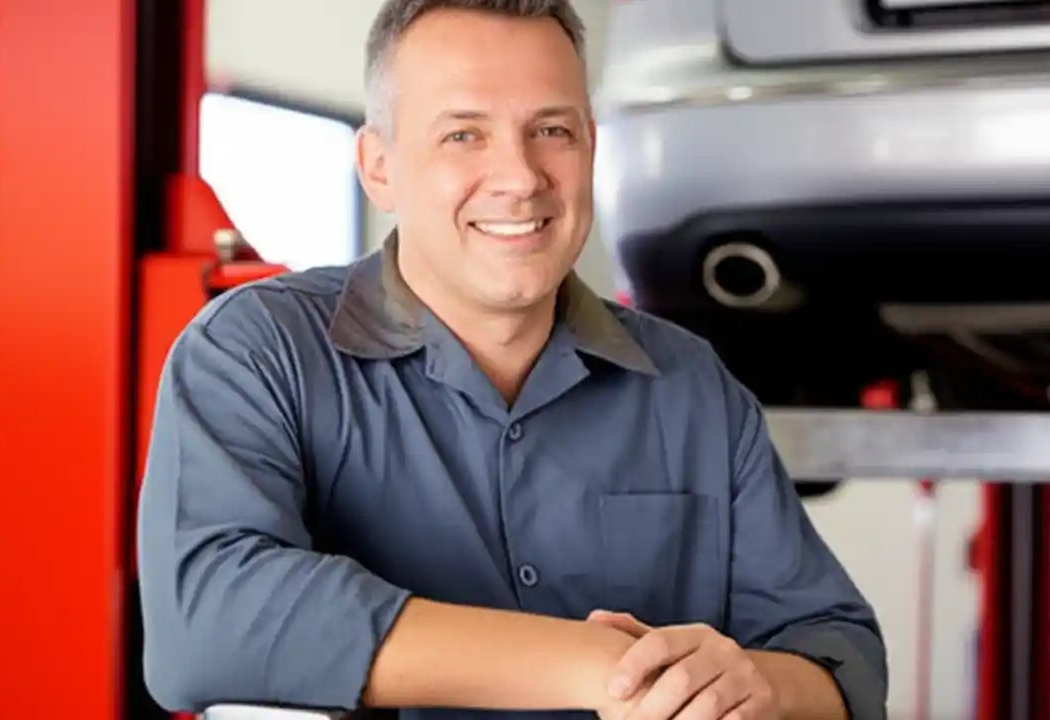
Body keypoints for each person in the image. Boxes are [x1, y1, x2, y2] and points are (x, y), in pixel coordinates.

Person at [136, 1, 888, 718]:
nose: (521, 177)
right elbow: (206, 622)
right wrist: (600, 666)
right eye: (464, 135)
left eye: (551, 130)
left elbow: (839, 652)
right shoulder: (259, 351)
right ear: (378, 166)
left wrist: (755, 685)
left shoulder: (692, 387)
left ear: (590, 146)